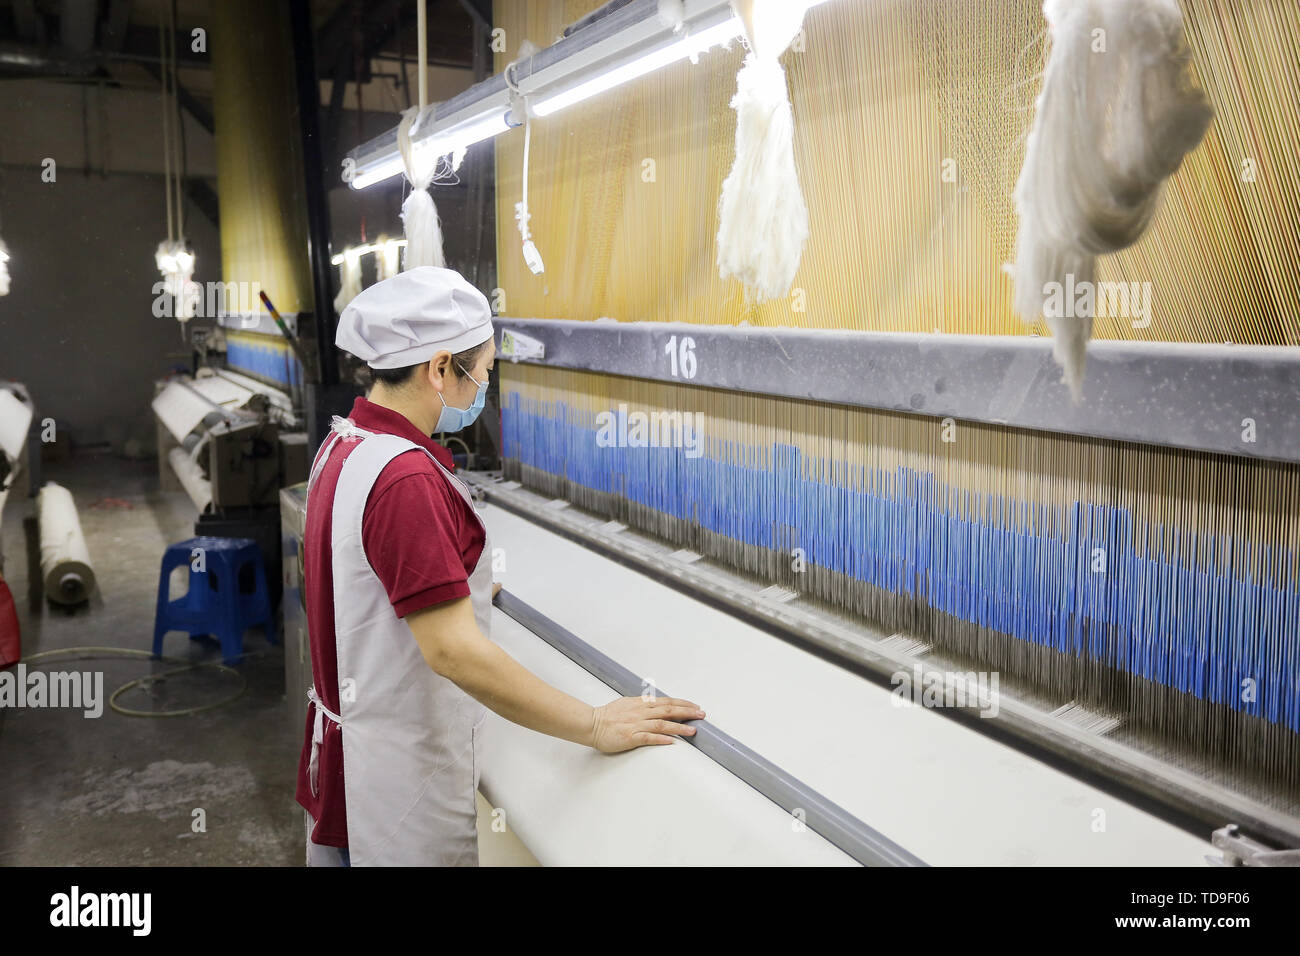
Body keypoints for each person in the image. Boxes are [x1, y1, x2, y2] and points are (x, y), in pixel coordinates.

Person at [295, 266, 704, 866]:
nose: (483, 388)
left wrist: (448, 583)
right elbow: (453, 652)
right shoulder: (404, 478)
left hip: (348, 763)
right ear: (439, 369)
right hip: (393, 789)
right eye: (481, 371)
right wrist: (592, 724)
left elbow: (365, 576)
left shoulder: (346, 441)